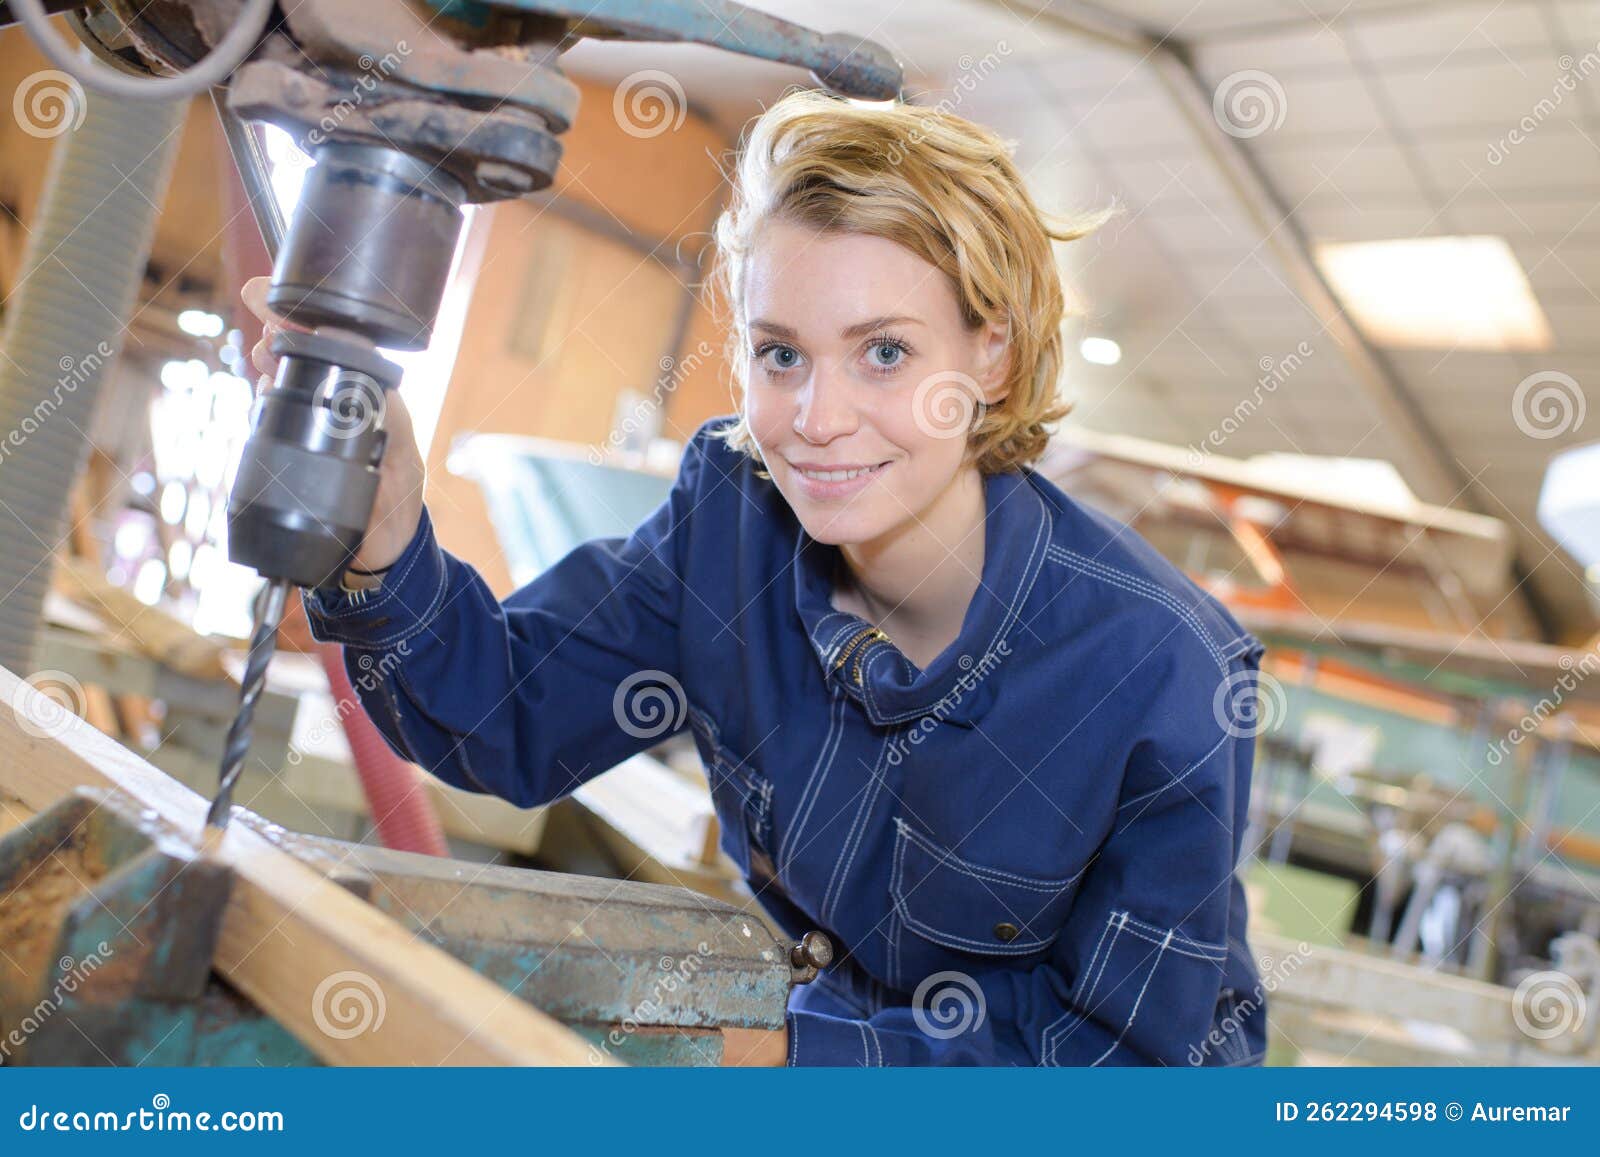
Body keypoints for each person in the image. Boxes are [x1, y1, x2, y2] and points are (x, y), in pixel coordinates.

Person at [246, 89, 1268, 1067]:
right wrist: (383, 538)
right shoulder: (732, 523)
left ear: (990, 355)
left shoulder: (1158, 668)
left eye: (883, 353)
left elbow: (1124, 1065)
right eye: (780, 353)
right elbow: (508, 715)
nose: (816, 418)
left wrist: (793, 1057)